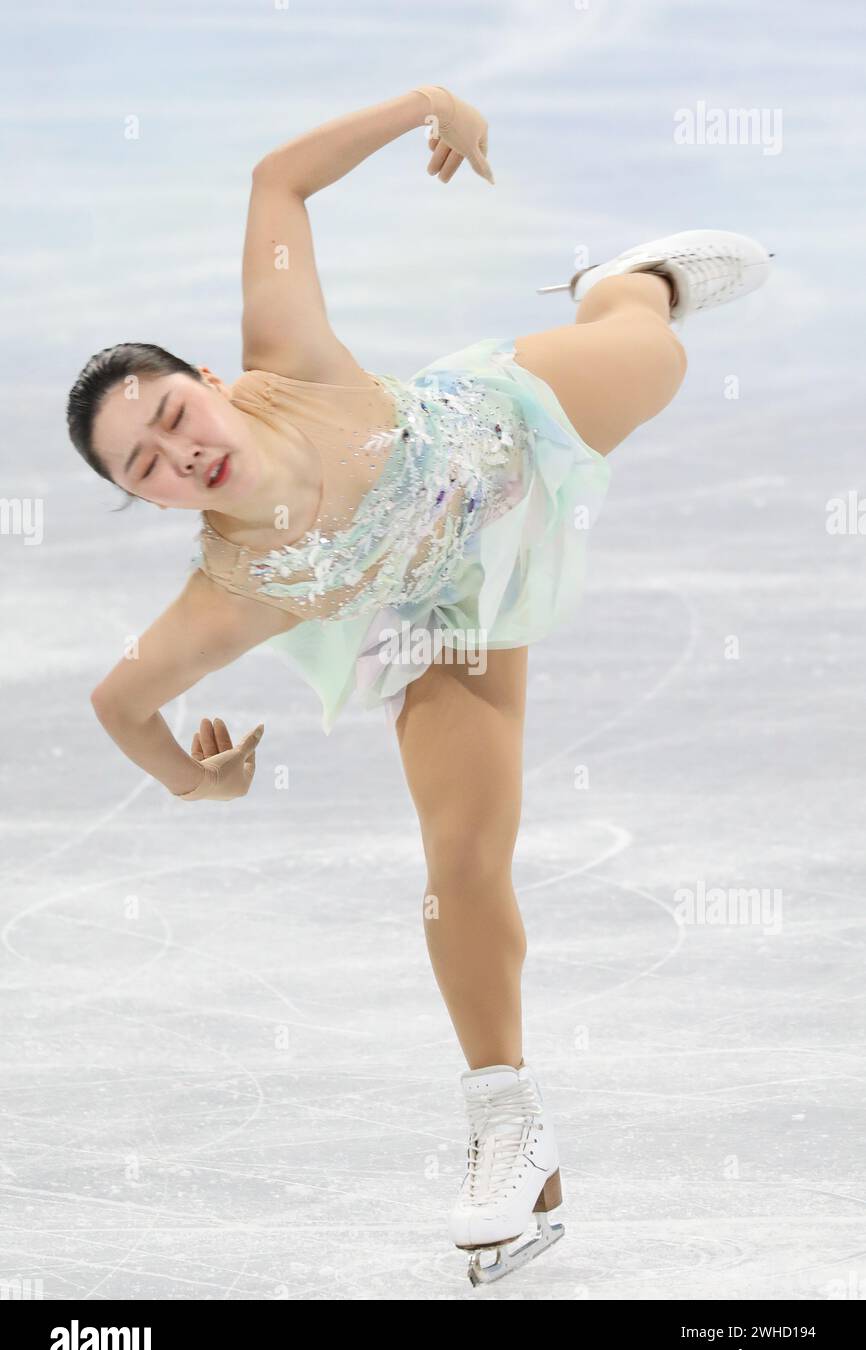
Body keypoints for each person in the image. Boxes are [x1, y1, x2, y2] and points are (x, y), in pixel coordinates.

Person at [66, 86, 772, 1284]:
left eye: (175, 416)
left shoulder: (284, 360)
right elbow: (119, 705)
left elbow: (273, 182)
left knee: (654, 344)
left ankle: (624, 280)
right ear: (153, 499)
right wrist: (198, 782)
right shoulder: (231, 593)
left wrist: (426, 106)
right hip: (448, 618)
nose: (183, 453)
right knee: (460, 857)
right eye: (150, 468)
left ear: (204, 377)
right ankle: (503, 1119)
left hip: (505, 433)